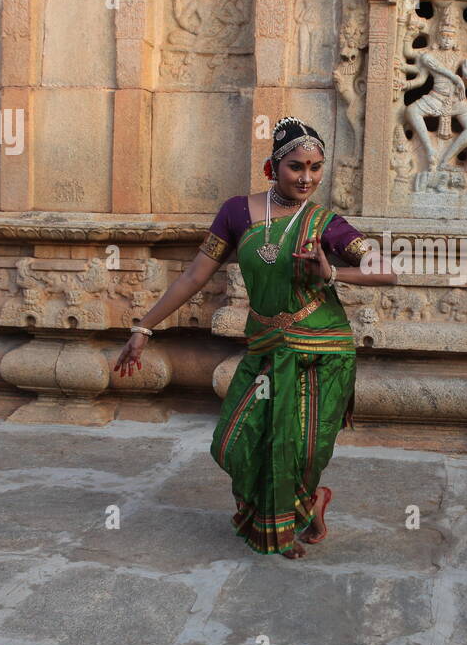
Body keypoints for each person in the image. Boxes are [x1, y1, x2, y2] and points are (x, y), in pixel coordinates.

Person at [112, 117, 397, 560]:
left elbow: (386, 270)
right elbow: (193, 275)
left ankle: (295, 515)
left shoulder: (326, 223)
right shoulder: (236, 213)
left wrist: (334, 271)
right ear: (273, 167)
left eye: (316, 168)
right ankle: (305, 503)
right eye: (297, 167)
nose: (307, 178)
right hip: (267, 348)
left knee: (298, 448)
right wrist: (143, 328)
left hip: (322, 352)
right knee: (233, 441)